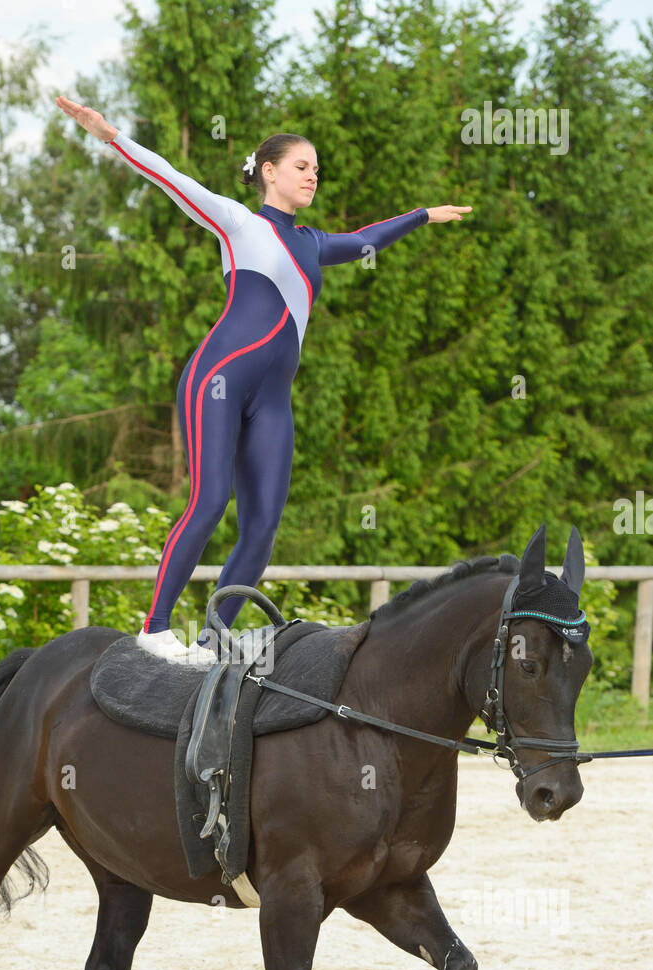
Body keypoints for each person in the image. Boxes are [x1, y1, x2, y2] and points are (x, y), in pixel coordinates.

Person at [56, 97, 472, 664]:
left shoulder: (315, 243)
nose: (313, 177)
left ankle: (211, 641)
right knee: (209, 502)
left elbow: (365, 239)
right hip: (218, 378)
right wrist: (112, 137)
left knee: (261, 530)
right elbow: (169, 177)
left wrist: (423, 214)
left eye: (318, 170)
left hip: (273, 403)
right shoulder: (237, 221)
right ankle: (155, 629)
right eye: (303, 166)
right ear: (270, 171)